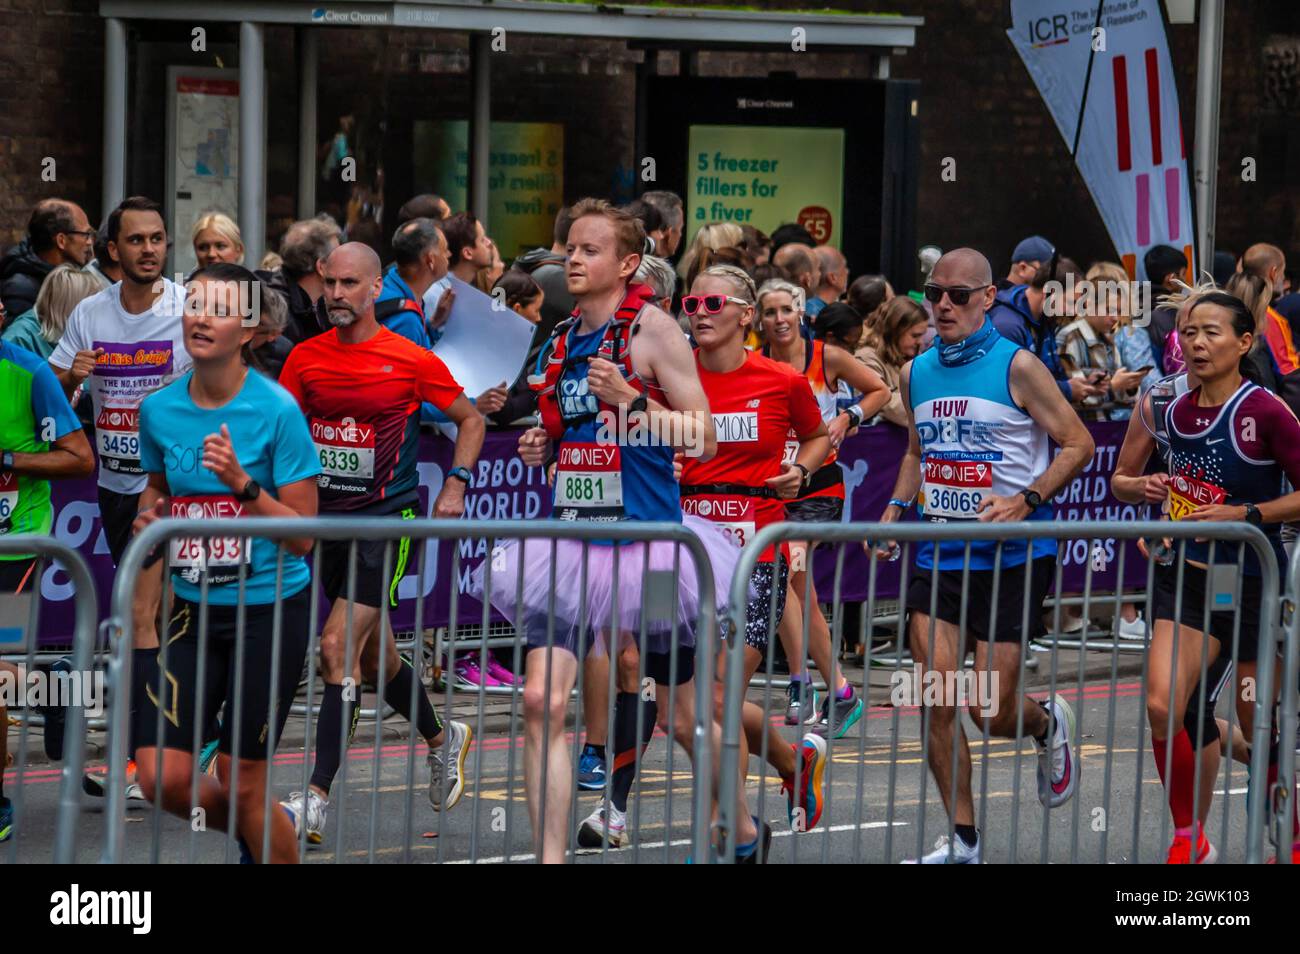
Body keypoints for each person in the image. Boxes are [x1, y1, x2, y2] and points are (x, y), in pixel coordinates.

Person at [472, 199, 761, 862]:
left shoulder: (655, 331)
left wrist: (635, 402)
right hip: (571, 544)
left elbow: (704, 436)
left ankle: (741, 830)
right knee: (542, 700)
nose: (572, 259)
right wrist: (546, 442)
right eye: (569, 247)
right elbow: (572, 425)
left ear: (628, 264)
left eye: (589, 250)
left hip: (652, 551)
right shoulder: (564, 335)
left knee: (685, 715)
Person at [874, 248, 1094, 864]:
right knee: (940, 701)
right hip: (937, 553)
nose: (943, 304)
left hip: (1011, 559)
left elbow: (1077, 443)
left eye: (959, 295)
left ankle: (1047, 724)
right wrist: (895, 510)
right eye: (933, 293)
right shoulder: (916, 372)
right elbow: (917, 452)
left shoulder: (1019, 367)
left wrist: (1026, 499)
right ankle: (965, 841)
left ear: (988, 297)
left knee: (988, 709)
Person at [276, 242, 484, 845]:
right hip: (325, 524)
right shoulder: (305, 359)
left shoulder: (408, 356)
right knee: (376, 660)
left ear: (375, 291)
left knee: (337, 647)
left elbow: (470, 420)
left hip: (385, 524)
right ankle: (445, 739)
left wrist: (457, 483)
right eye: (329, 283)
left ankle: (314, 796)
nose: (336, 295)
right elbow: (283, 427)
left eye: (349, 284)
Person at [131, 263, 320, 864]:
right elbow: (158, 488)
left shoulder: (277, 411)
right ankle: (263, 829)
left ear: (248, 328)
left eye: (216, 307)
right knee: (160, 778)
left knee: (243, 788)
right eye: (193, 304)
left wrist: (243, 486)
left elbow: (304, 536)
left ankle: (263, 828)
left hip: (269, 612)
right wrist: (151, 521)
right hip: (194, 609)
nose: (199, 318)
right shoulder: (159, 409)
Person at [1111, 291, 1300, 865]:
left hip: (1251, 584)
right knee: (1164, 704)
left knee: (1255, 717)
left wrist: (1246, 516)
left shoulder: (1265, 410)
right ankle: (1189, 837)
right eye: (1190, 332)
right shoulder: (1167, 407)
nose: (1196, 342)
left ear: (1244, 343)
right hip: (1188, 579)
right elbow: (1123, 478)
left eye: (1212, 332)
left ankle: (1288, 837)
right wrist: (1145, 492)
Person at [48, 196, 191, 802]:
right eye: (136, 240)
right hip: (116, 487)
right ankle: (170, 749)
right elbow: (49, 397)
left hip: (179, 490)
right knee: (152, 620)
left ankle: (145, 758)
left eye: (157, 238)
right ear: (112, 249)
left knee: (145, 617)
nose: (149, 249)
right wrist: (72, 379)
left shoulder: (188, 310)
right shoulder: (90, 314)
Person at [758, 278, 889, 735]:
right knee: (796, 587)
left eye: (786, 310)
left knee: (789, 568)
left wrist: (849, 415)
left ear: (801, 314)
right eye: (770, 312)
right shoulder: (758, 364)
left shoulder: (825, 357)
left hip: (820, 486)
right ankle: (837, 690)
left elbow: (880, 390)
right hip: (777, 487)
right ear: (759, 320)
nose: (779, 319)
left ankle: (801, 683)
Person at [0, 336, 94, 841]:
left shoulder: (30, 373)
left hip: (12, 544)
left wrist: (7, 461)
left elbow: (79, 459)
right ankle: (51, 688)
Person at [987, 255, 1101, 406]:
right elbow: (1012, 387)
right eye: (1072, 302)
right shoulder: (1008, 326)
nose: (1074, 311)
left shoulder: (1044, 317)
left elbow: (1047, 372)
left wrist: (1083, 380)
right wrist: (1067, 390)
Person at [1055, 273, 1150, 421]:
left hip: (1105, 430)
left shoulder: (1108, 340)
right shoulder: (1070, 337)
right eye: (1109, 310)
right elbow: (1074, 394)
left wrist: (1129, 386)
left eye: (1119, 311)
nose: (1116, 318)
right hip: (1081, 428)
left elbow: (1121, 395)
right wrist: (1113, 386)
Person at [1, 199, 95, 324]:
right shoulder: (21, 289)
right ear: (61, 240)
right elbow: (17, 340)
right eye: (85, 234)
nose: (89, 242)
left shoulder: (67, 279)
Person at [2, 264, 106, 360]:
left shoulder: (80, 335)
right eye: (93, 305)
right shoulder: (19, 339)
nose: (100, 313)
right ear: (69, 306)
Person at [856, 296, 929, 428]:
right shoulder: (866, 359)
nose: (920, 342)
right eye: (915, 336)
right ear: (895, 331)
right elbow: (883, 402)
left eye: (922, 335)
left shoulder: (907, 356)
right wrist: (932, 406)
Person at [272, 216, 342, 344]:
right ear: (322, 267)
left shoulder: (321, 303)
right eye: (339, 256)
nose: (345, 261)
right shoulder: (274, 311)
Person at [1142, 244, 1189, 372]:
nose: (1185, 281)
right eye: (1183, 274)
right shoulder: (1171, 313)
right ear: (1171, 279)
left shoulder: (1136, 305)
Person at [771, 244, 820, 314]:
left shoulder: (763, 310)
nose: (820, 274)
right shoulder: (816, 315)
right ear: (806, 279)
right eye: (818, 268)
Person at [641, 190, 684, 258]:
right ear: (669, 233)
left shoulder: (623, 263)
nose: (680, 235)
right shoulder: (658, 268)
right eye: (680, 229)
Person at [811, 246, 849, 316]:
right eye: (844, 267)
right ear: (832, 278)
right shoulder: (826, 316)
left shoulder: (802, 307)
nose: (847, 272)